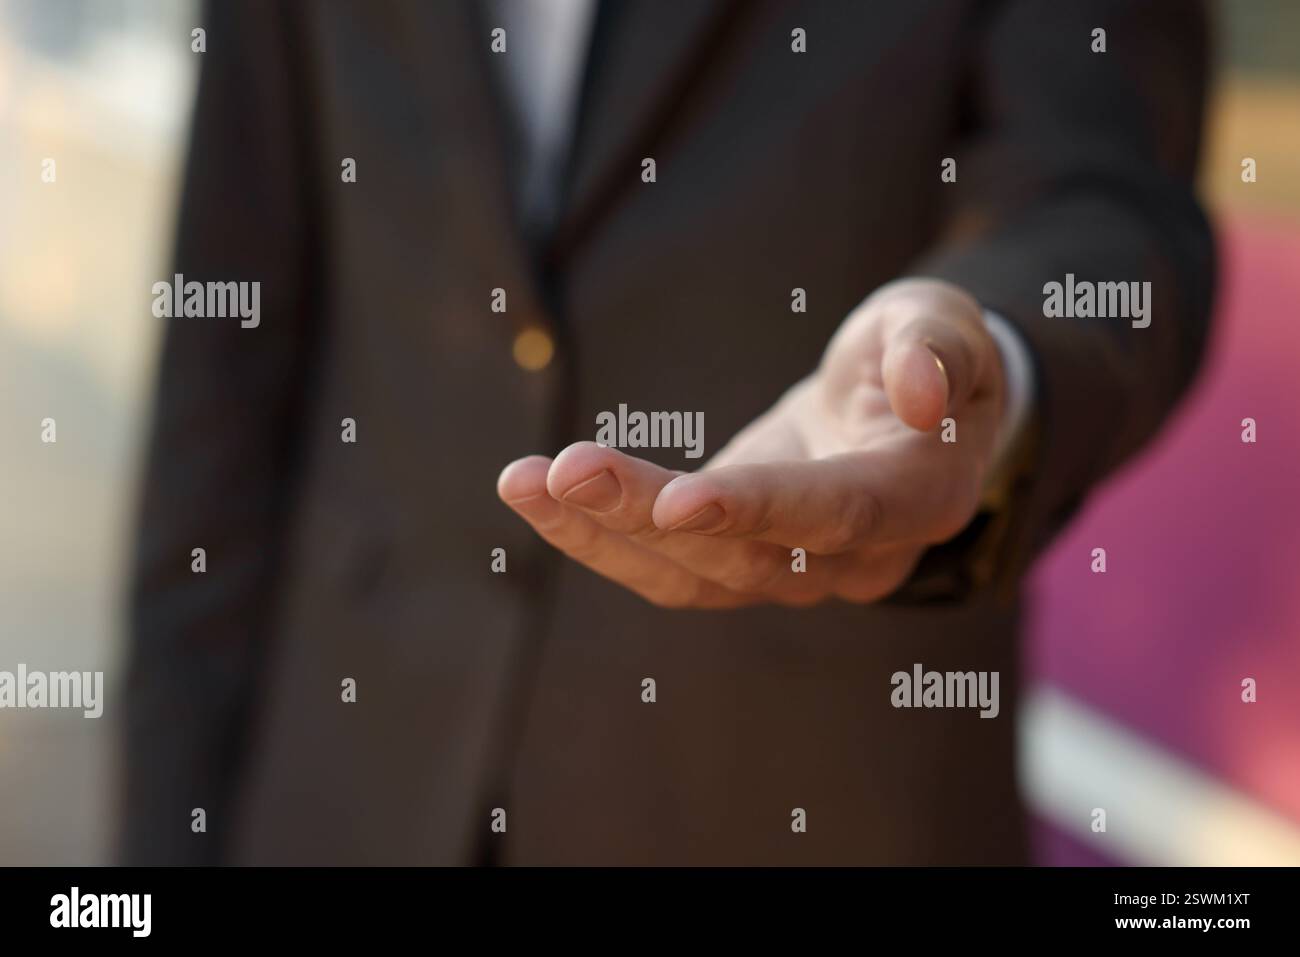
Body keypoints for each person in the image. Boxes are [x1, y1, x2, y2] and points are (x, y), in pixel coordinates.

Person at [123, 0, 1214, 864]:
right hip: (341, 780)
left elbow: (1101, 191)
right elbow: (227, 361)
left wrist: (993, 353)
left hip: (799, 796)